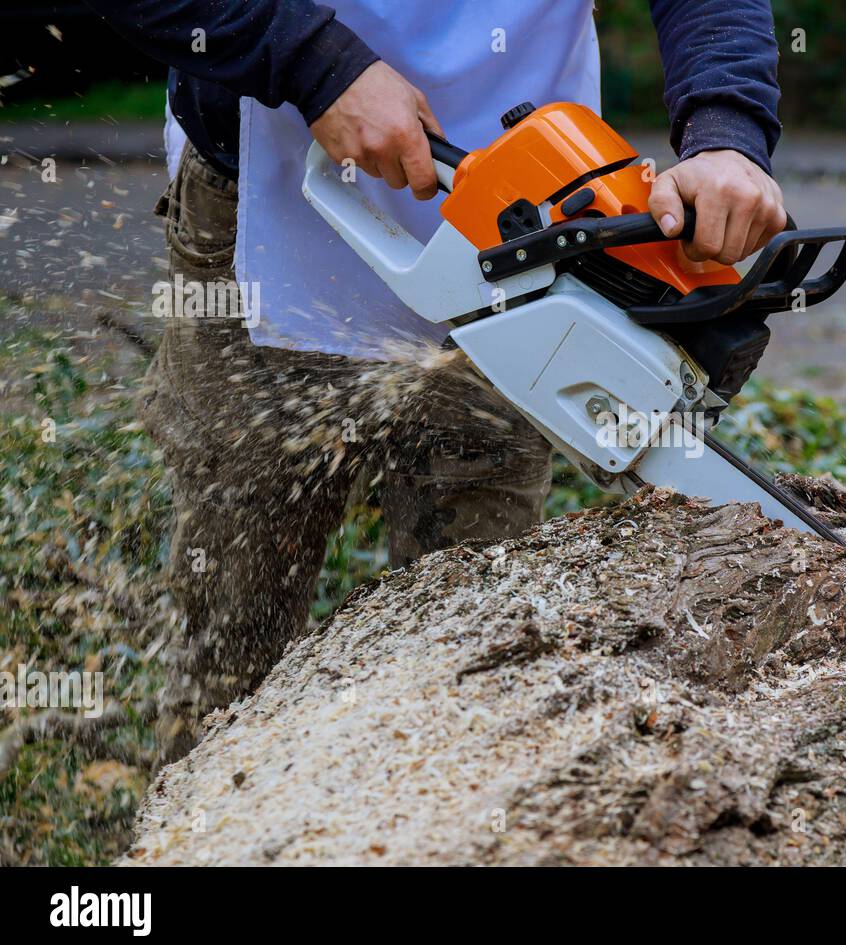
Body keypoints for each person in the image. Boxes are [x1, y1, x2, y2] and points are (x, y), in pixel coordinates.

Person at [85, 0, 786, 762]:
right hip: (266, 179)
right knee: (232, 634)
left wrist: (727, 129)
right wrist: (316, 64)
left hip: (536, 227)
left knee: (474, 644)